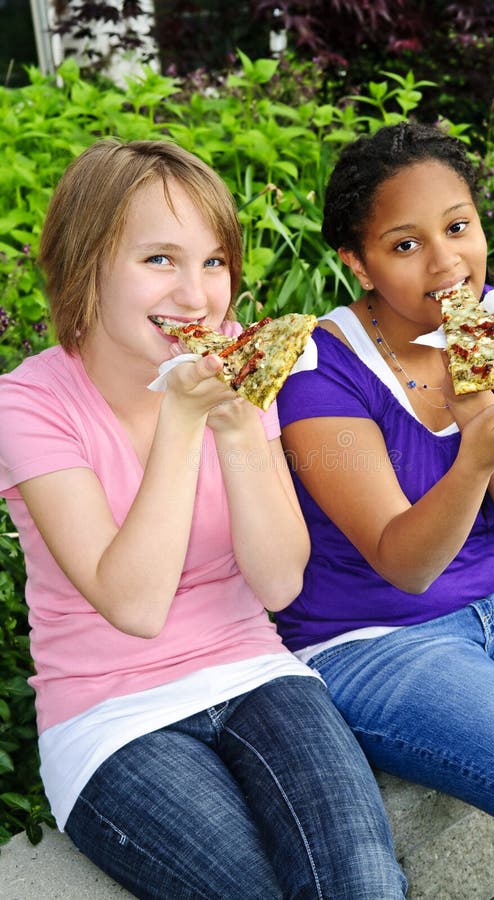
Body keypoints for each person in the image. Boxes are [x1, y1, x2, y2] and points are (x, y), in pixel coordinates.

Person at [0, 139, 408, 899]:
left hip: (257, 672)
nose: (198, 297)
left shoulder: (234, 370)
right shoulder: (28, 403)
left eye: (215, 262)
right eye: (160, 260)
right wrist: (184, 424)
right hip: (109, 719)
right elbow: (134, 604)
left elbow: (281, 582)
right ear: (86, 261)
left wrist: (234, 424)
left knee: (360, 882)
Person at [275, 122, 494, 899]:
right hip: (373, 640)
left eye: (458, 227)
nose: (448, 260)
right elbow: (404, 562)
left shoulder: (492, 324)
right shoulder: (319, 372)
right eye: (406, 244)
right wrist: (475, 453)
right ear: (357, 261)